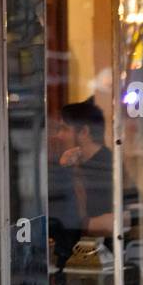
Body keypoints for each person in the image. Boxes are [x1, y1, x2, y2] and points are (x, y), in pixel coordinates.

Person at [59, 97, 115, 237]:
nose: (59, 136)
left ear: (84, 132)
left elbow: (109, 222)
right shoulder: (77, 165)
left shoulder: (106, 167)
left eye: (65, 129)